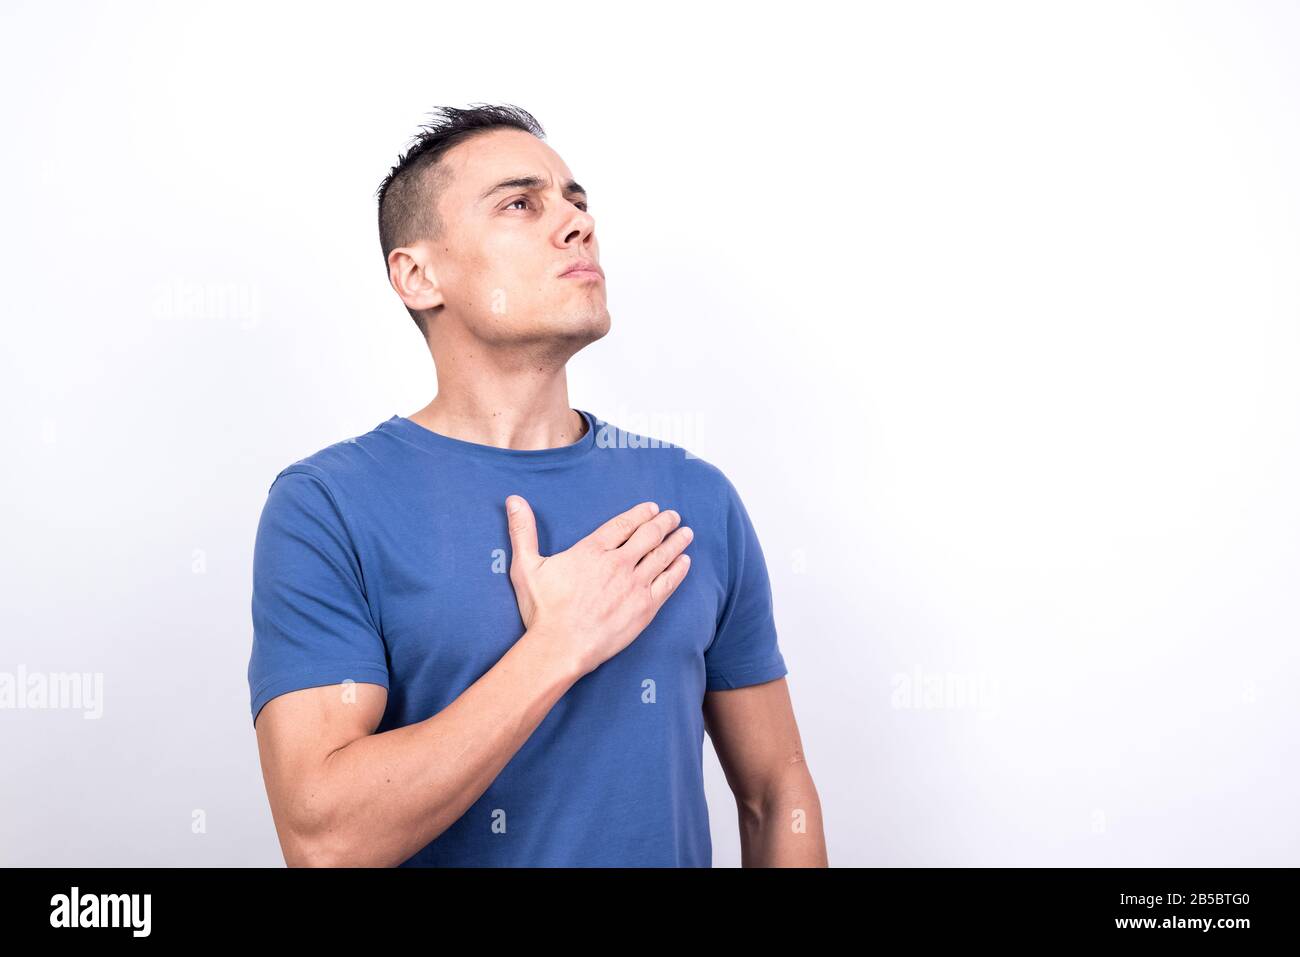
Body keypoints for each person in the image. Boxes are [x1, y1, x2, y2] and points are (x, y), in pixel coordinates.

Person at [247, 104, 826, 867]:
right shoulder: (325, 507)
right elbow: (326, 839)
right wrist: (557, 647)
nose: (577, 224)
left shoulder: (695, 497)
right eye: (522, 204)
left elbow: (775, 793)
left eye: (576, 202)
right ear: (418, 275)